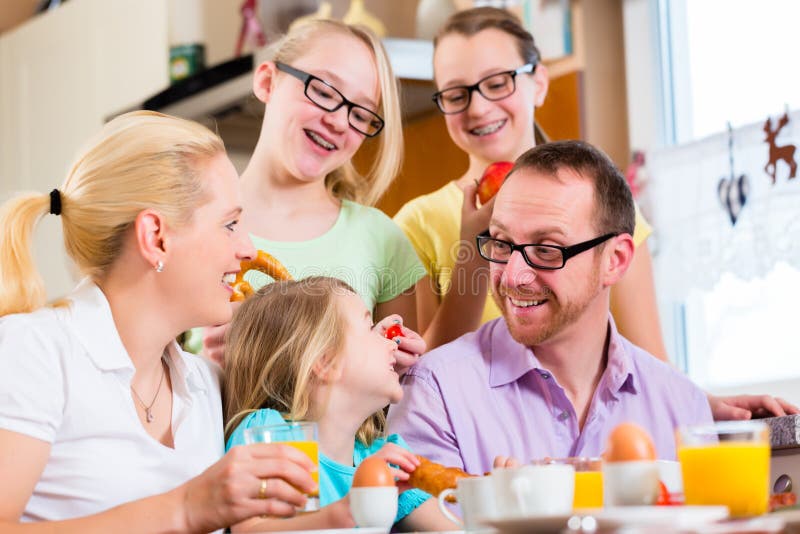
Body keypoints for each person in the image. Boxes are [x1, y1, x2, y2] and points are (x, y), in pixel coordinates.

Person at [393, 6, 797, 421]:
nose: (477, 107)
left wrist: (703, 406)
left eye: (498, 83)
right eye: (457, 94)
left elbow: (646, 360)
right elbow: (422, 385)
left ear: (539, 83)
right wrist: (474, 252)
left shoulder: (603, 207)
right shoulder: (417, 224)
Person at [0, 111, 318, 531]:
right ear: (156, 237)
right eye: (230, 224)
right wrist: (183, 509)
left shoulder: (207, 383)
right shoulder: (33, 351)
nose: (247, 249)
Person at [387, 140, 715, 475]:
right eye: (501, 243)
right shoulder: (433, 394)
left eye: (546, 249)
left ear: (615, 260)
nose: (513, 276)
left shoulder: (684, 409)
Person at [196, 19, 426, 368]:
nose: (338, 121)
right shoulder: (192, 221)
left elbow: (399, 404)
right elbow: (156, 381)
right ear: (267, 82)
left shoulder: (383, 241)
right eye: (323, 91)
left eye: (360, 113)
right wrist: (206, 362)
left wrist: (398, 365)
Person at [224, 277, 456, 532]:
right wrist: (349, 510)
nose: (392, 341)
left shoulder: (381, 457)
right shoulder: (275, 433)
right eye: (369, 328)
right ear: (325, 362)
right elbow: (251, 530)